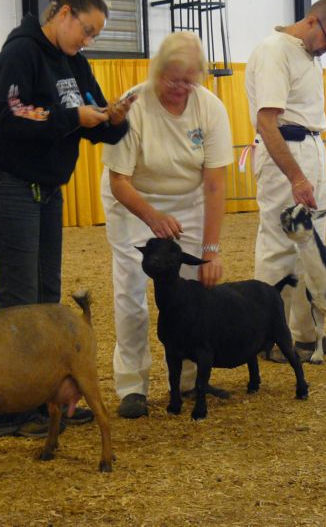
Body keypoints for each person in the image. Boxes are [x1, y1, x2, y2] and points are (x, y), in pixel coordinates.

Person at [0, 0, 133, 438]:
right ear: (64, 15)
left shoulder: (74, 63)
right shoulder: (19, 53)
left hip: (45, 187)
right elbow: (7, 117)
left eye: (94, 36)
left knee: (45, 298)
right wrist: (71, 118)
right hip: (7, 182)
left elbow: (89, 117)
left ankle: (40, 402)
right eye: (86, 30)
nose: (88, 41)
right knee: (20, 300)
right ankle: (7, 413)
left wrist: (113, 121)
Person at [101, 32, 234, 419]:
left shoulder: (210, 109)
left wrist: (210, 252)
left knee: (194, 290)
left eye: (189, 81)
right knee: (131, 293)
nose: (180, 88)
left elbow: (214, 183)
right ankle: (132, 386)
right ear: (156, 71)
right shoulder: (135, 104)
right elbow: (118, 181)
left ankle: (193, 379)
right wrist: (153, 218)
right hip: (132, 200)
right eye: (172, 79)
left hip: (189, 201)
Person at [245, 0, 326, 361]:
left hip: (310, 146)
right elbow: (267, 122)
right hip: (284, 153)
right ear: (311, 21)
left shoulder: (308, 55)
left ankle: (306, 334)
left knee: (312, 245)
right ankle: (269, 337)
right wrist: (296, 177)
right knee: (278, 246)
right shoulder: (275, 51)